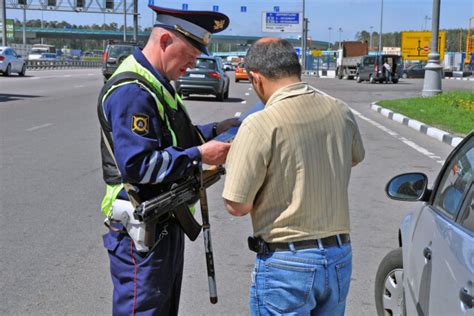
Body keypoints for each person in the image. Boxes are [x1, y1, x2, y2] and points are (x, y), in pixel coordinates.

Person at [98, 4, 238, 315]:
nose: (190, 66)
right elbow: (139, 164)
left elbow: (174, 139)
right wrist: (201, 154)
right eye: (188, 58)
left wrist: (216, 130)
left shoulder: (157, 84)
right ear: (164, 41)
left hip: (165, 221)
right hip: (142, 228)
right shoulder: (133, 90)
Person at [222, 38, 365, 315]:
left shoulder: (260, 123)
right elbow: (354, 158)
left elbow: (236, 206)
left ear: (256, 78)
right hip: (338, 256)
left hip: (287, 263)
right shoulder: (340, 110)